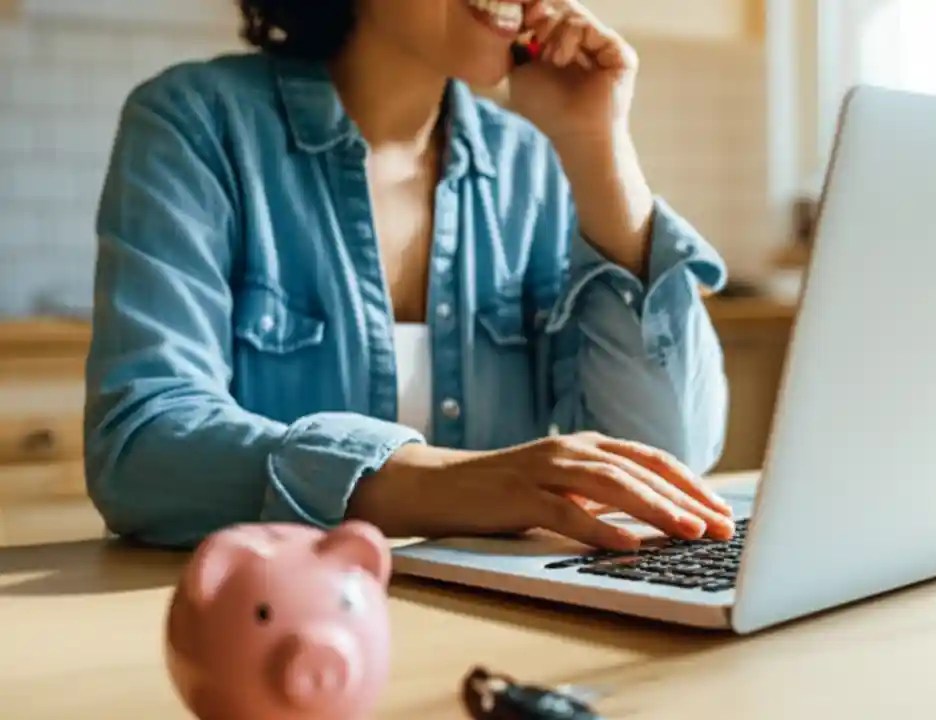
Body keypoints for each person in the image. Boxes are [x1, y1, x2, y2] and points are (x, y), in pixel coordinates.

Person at [84, 0, 734, 551]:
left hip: (493, 631)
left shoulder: (535, 165)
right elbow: (141, 451)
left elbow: (671, 454)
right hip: (275, 640)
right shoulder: (196, 123)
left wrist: (599, 148)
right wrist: (441, 484)